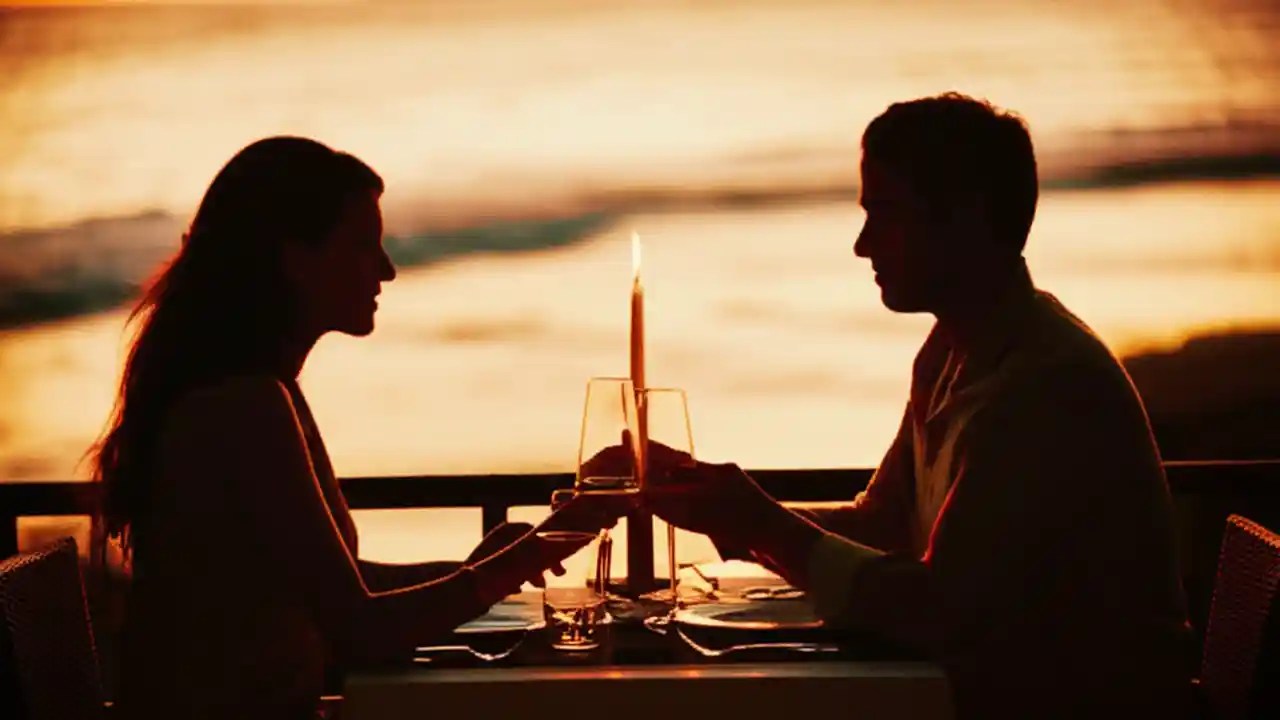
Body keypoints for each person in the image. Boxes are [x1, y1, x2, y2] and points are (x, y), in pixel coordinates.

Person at [644, 94, 1194, 718]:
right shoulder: (949, 354)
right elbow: (885, 523)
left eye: (884, 213)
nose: (861, 244)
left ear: (965, 218)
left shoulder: (1048, 387)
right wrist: (725, 506)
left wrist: (761, 524)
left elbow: (941, 611)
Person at [90, 136, 623, 720]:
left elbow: (330, 587)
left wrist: (481, 566)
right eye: (366, 247)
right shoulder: (242, 405)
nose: (388, 270)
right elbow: (360, 629)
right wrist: (523, 560)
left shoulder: (257, 390)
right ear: (296, 260)